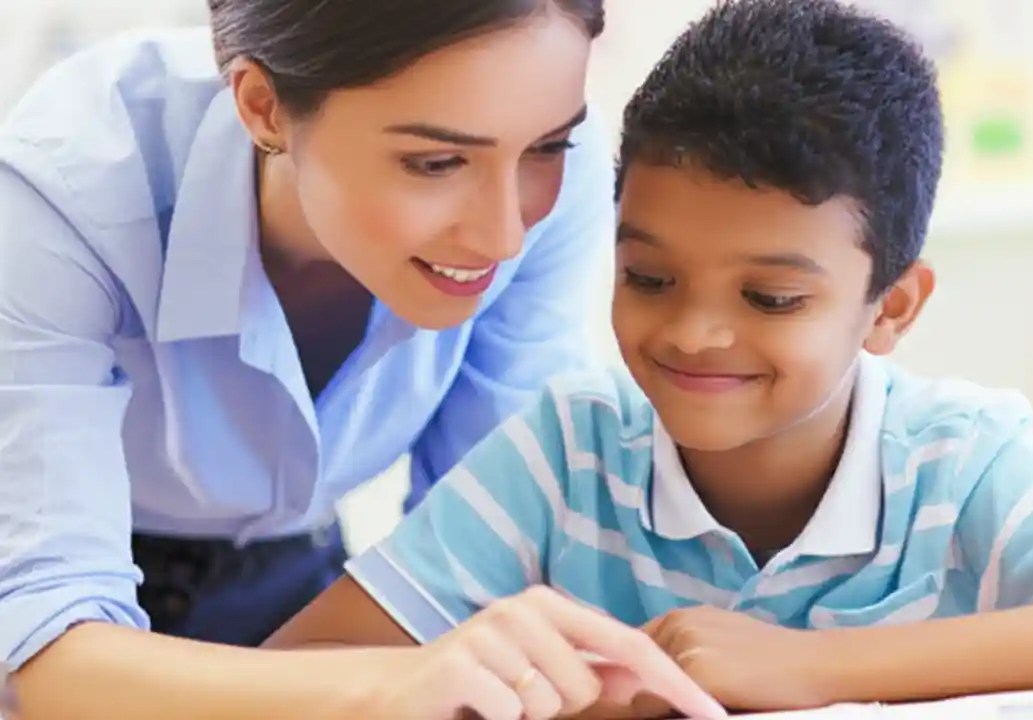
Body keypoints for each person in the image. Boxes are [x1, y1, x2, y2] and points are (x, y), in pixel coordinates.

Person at [268, 0, 1033, 714]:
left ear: (889, 307)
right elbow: (303, 669)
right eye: (650, 279)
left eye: (770, 298)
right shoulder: (563, 457)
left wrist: (818, 667)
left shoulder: (956, 461)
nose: (695, 333)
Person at [0, 1, 729, 719]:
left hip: (301, 574)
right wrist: (391, 684)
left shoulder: (542, 187)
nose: (506, 235)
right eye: (436, 162)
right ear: (263, 108)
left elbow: (493, 532)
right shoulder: (62, 195)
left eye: (547, 148)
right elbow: (42, 663)